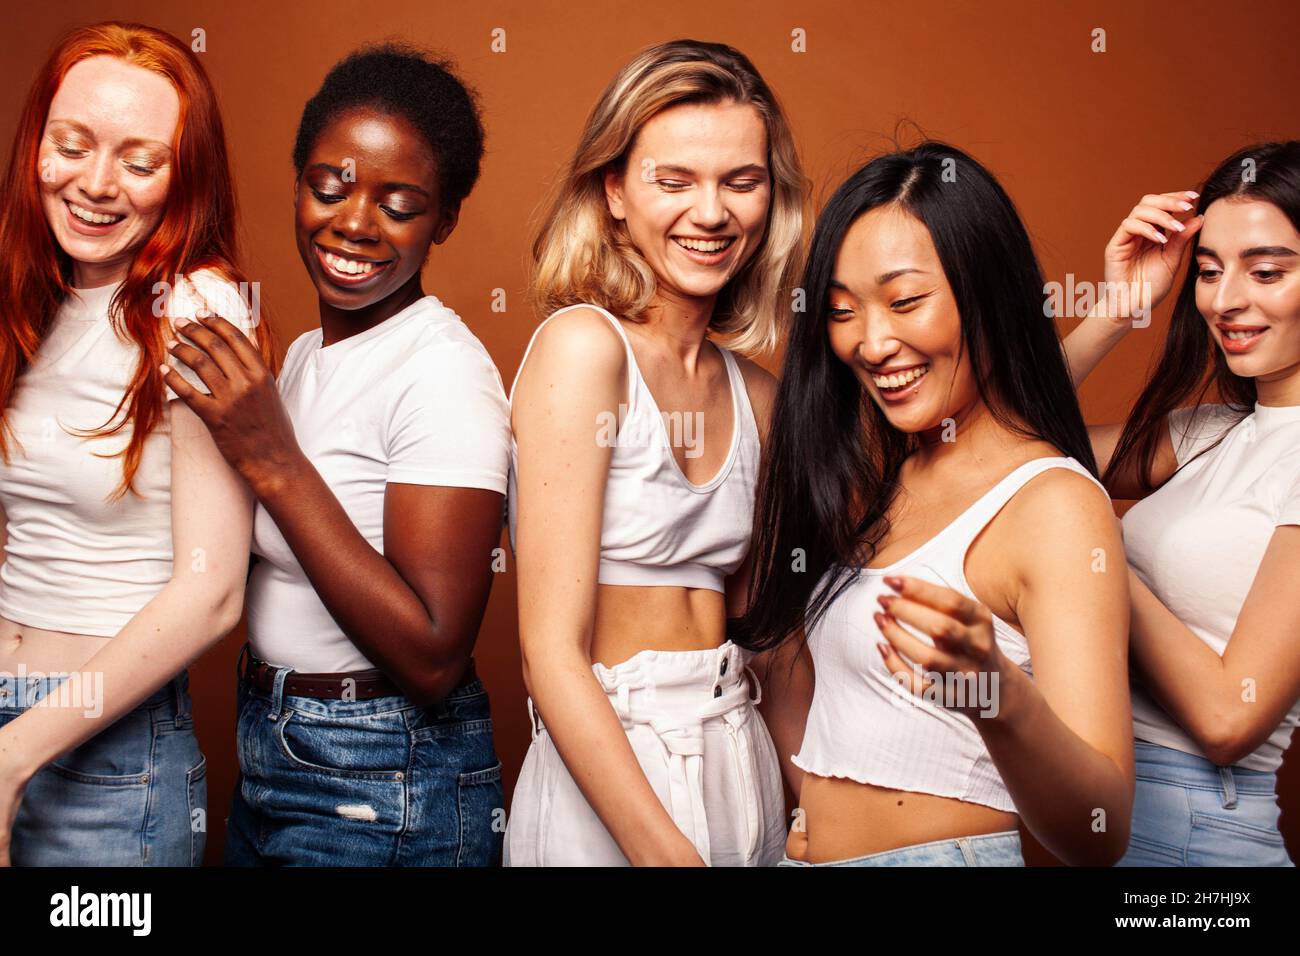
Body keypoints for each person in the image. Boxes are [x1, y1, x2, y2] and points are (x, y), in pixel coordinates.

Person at [737, 143, 1135, 867]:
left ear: (987, 294)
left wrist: (998, 695)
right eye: (841, 311)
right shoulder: (888, 475)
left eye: (906, 300)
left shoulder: (1056, 508)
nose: (872, 341)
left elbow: (1100, 832)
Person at [169, 45, 511, 867]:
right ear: (298, 186)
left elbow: (433, 656)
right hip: (275, 750)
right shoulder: (303, 360)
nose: (355, 223)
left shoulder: (444, 371)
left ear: (445, 221)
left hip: (384, 773)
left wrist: (274, 459)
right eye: (331, 187)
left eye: (400, 205)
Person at [504, 39, 808, 866]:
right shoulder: (583, 349)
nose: (710, 214)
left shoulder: (761, 396)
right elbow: (550, 657)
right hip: (612, 766)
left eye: (739, 182)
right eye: (673, 181)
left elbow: (774, 645)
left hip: (736, 747)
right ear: (613, 192)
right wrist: (665, 854)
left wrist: (820, 809)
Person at [0, 21, 273, 866]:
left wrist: (11, 760)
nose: (95, 184)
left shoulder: (196, 309)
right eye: (72, 144)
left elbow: (213, 593)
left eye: (139, 161)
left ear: (182, 180)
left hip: (105, 759)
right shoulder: (38, 296)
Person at [1064, 141, 1300, 866]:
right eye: (1208, 271)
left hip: (1198, 830)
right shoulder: (1209, 434)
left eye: (1266, 272)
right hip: (1108, 804)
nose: (1225, 300)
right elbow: (995, 441)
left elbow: (1231, 717)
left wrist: (1093, 557)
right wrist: (1116, 308)